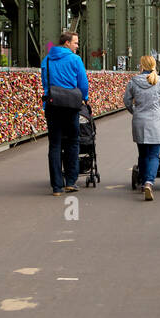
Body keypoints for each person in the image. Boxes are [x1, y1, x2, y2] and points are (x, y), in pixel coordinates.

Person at [41, 31, 89, 195]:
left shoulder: (46, 60)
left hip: (52, 105)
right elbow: (83, 84)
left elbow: (45, 83)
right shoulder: (75, 59)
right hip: (71, 105)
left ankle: (56, 186)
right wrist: (84, 98)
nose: (77, 45)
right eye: (75, 43)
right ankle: (70, 181)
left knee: (55, 144)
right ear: (67, 43)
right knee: (72, 142)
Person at [124, 54, 160, 201]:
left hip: (139, 121)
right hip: (155, 121)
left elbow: (126, 101)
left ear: (141, 66)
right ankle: (149, 182)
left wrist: (134, 111)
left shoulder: (133, 82)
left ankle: (142, 182)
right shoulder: (159, 82)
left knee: (143, 154)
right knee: (154, 155)